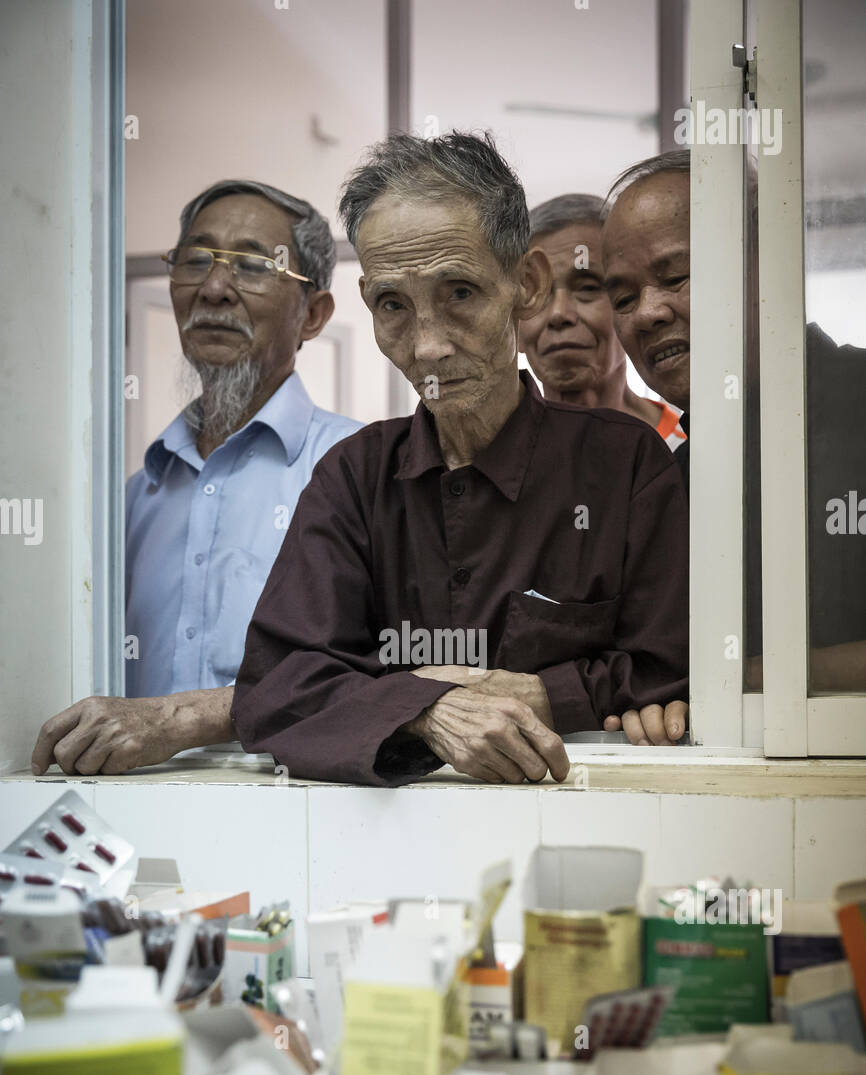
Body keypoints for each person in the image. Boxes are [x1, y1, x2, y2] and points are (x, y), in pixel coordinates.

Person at [231, 132, 689, 787]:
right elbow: (278, 686)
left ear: (524, 284)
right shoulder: (354, 478)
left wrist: (537, 695)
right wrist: (429, 711)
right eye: (394, 305)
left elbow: (668, 666)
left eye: (460, 293)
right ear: (368, 305)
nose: (428, 347)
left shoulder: (624, 465)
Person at [31, 180, 361, 776]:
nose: (214, 288)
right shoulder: (133, 499)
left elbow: (387, 677)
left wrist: (182, 720)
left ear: (312, 314)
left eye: (254, 266)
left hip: (309, 817)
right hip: (137, 818)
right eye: (196, 260)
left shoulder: (356, 469)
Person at [601, 149, 866, 698]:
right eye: (624, 298)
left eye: (675, 276)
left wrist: (725, 682)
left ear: (765, 261)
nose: (648, 312)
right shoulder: (669, 480)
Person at [519, 193, 686, 449]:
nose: (559, 314)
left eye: (587, 287)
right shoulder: (494, 456)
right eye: (539, 294)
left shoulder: (687, 452)